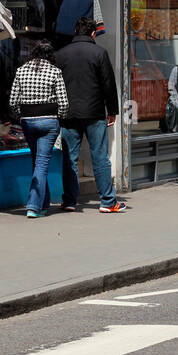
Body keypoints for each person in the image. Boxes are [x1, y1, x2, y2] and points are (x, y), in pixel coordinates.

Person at [58, 17, 124, 212]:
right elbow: (108, 84)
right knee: (100, 156)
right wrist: (112, 111)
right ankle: (107, 202)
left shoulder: (61, 54)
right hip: (94, 112)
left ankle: (69, 200)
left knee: (69, 158)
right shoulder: (99, 53)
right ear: (93, 33)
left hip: (68, 113)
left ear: (75, 31)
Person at [9, 41, 70, 218]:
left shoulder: (21, 71)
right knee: (42, 164)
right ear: (51, 56)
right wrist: (60, 117)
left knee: (38, 163)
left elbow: (13, 101)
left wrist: (21, 114)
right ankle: (34, 206)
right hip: (49, 121)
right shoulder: (55, 71)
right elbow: (64, 103)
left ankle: (44, 204)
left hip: (28, 121)